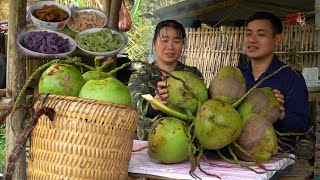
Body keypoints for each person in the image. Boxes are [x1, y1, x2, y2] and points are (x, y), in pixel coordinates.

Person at [128, 20, 203, 140]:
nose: (170, 47)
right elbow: (137, 107)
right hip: (152, 143)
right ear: (154, 43)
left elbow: (202, 107)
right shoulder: (141, 75)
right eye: (164, 40)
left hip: (186, 141)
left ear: (183, 45)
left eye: (177, 41)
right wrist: (155, 104)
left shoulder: (193, 74)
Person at [238, 12, 310, 134]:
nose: (251, 39)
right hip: (235, 147)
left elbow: (303, 125)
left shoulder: (291, 77)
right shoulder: (237, 75)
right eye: (248, 34)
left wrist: (281, 114)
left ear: (277, 40)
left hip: (277, 150)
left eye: (260, 34)